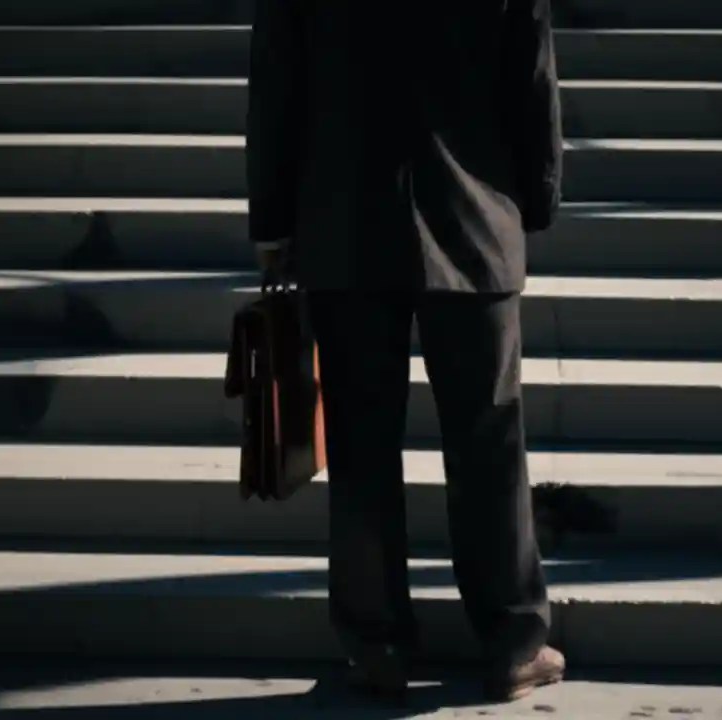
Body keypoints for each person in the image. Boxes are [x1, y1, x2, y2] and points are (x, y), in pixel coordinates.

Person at [247, 0, 565, 702]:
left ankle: (377, 641)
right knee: (489, 440)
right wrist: (535, 200)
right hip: (474, 218)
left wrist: (272, 216)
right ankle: (511, 642)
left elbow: (277, 79)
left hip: (348, 221)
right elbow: (530, 80)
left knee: (363, 445)